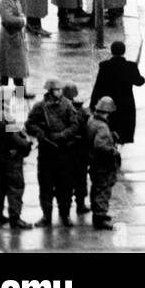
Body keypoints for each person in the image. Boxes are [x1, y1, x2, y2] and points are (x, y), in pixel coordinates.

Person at [25, 78, 79, 226]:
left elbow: (75, 125)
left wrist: (62, 136)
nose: (60, 92)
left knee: (65, 186)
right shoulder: (40, 107)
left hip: (64, 152)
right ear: (49, 91)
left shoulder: (67, 105)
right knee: (46, 186)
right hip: (47, 152)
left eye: (60, 90)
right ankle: (46, 216)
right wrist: (40, 133)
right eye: (57, 90)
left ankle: (65, 214)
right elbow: (29, 124)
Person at [0, 87, 33, 229]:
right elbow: (9, 134)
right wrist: (25, 144)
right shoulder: (1, 114)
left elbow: (6, 131)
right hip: (10, 157)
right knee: (15, 187)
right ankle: (15, 218)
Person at [90, 40, 145, 145]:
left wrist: (93, 104)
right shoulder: (130, 66)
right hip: (126, 104)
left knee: (111, 127)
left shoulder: (105, 66)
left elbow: (98, 86)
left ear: (112, 51)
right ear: (124, 51)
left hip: (109, 104)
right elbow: (139, 81)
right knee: (124, 130)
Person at [85, 96, 119, 229]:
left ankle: (98, 213)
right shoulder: (102, 126)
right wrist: (113, 151)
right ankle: (100, 217)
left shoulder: (92, 120)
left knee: (97, 188)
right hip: (103, 164)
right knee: (103, 190)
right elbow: (100, 145)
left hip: (94, 162)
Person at [0, 0, 30, 90]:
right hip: (10, 36)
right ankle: (10, 92)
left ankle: (11, 91)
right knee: (13, 68)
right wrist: (22, 21)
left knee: (12, 68)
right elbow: (7, 19)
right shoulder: (6, 0)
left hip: (12, 36)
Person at [61, 84, 90, 217]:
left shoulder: (59, 108)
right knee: (80, 178)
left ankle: (65, 209)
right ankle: (80, 204)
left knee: (65, 180)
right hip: (80, 150)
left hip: (65, 149)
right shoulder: (81, 110)